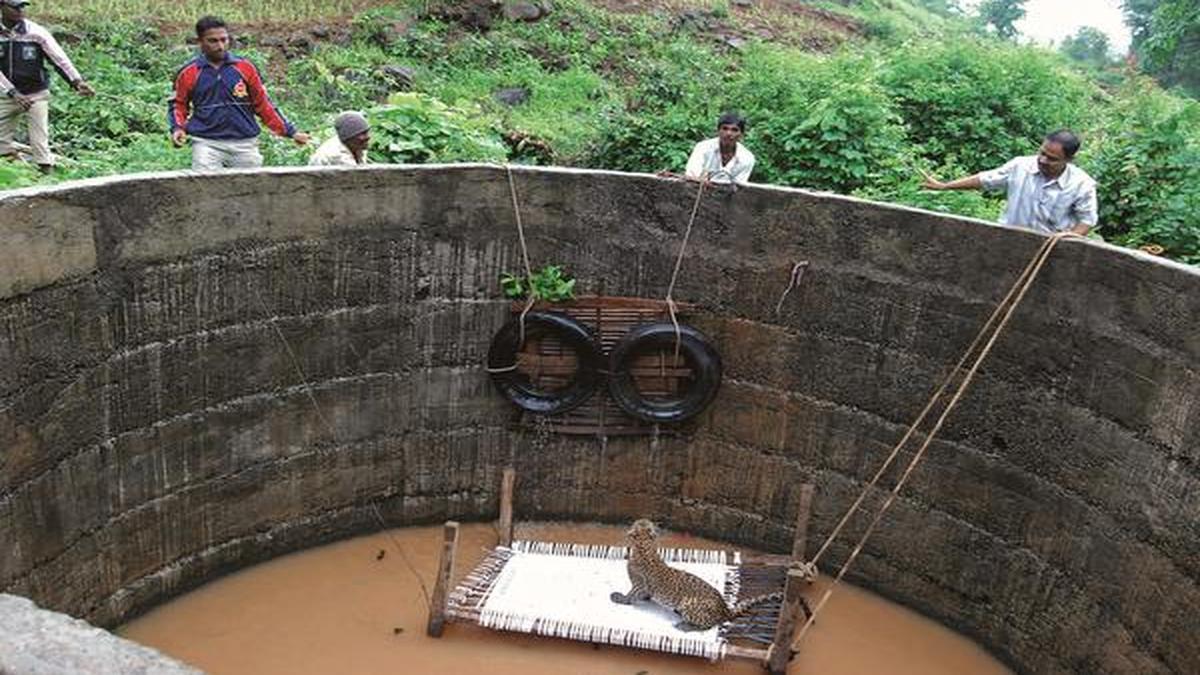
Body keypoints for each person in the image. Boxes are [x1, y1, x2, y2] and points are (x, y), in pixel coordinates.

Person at [168, 15, 309, 170]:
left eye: (224, 40)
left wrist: (291, 132)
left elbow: (263, 105)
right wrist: (178, 128)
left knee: (249, 191)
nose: (220, 46)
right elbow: (178, 105)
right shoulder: (188, 72)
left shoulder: (245, 68)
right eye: (213, 41)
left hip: (245, 143)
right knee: (206, 190)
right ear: (200, 42)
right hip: (206, 143)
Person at [921, 129, 1098, 235]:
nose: (1043, 160)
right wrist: (945, 186)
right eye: (1041, 153)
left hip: (1049, 250)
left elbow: (1087, 220)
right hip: (1009, 239)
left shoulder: (1082, 184)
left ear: (1069, 160)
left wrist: (1069, 239)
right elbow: (985, 180)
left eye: (1051, 159)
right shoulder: (1020, 166)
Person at [0, 0, 94, 173]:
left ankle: (47, 179)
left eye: (22, 6)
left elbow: (59, 59)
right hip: (7, 96)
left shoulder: (35, 32)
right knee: (1, 144)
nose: (20, 11)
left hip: (35, 94)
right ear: (2, 6)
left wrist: (77, 82)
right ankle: (18, 172)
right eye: (15, 7)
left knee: (40, 142)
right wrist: (13, 93)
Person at [683, 112, 755, 185]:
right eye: (725, 128)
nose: (728, 133)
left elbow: (739, 186)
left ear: (741, 134)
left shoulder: (747, 158)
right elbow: (691, 176)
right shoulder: (703, 148)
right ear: (718, 131)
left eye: (734, 130)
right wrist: (698, 179)